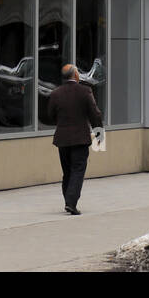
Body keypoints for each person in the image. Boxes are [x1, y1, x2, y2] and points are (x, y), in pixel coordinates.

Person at [46, 64, 103, 215]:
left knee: (67, 171)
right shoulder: (85, 91)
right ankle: (71, 202)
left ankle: (68, 201)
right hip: (80, 138)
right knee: (78, 170)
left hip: (62, 139)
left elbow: (50, 115)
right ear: (75, 75)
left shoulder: (56, 93)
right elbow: (95, 114)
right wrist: (99, 135)